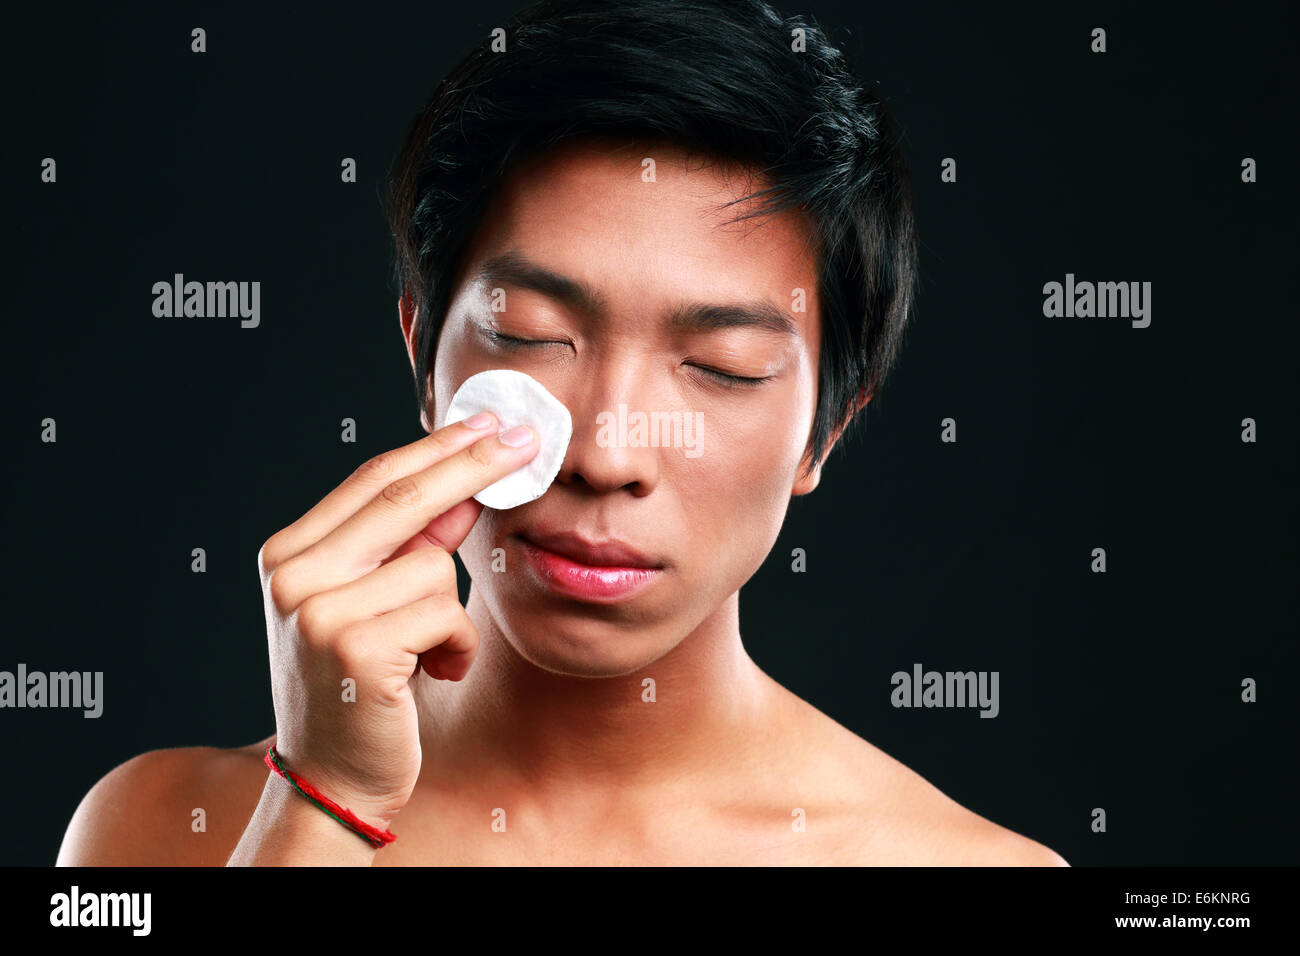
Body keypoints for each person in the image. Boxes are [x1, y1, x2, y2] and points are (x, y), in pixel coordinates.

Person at [58, 0, 1068, 866]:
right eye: (530, 335)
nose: (605, 454)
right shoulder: (157, 830)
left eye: (721, 367)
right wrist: (322, 807)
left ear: (824, 432)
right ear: (423, 350)